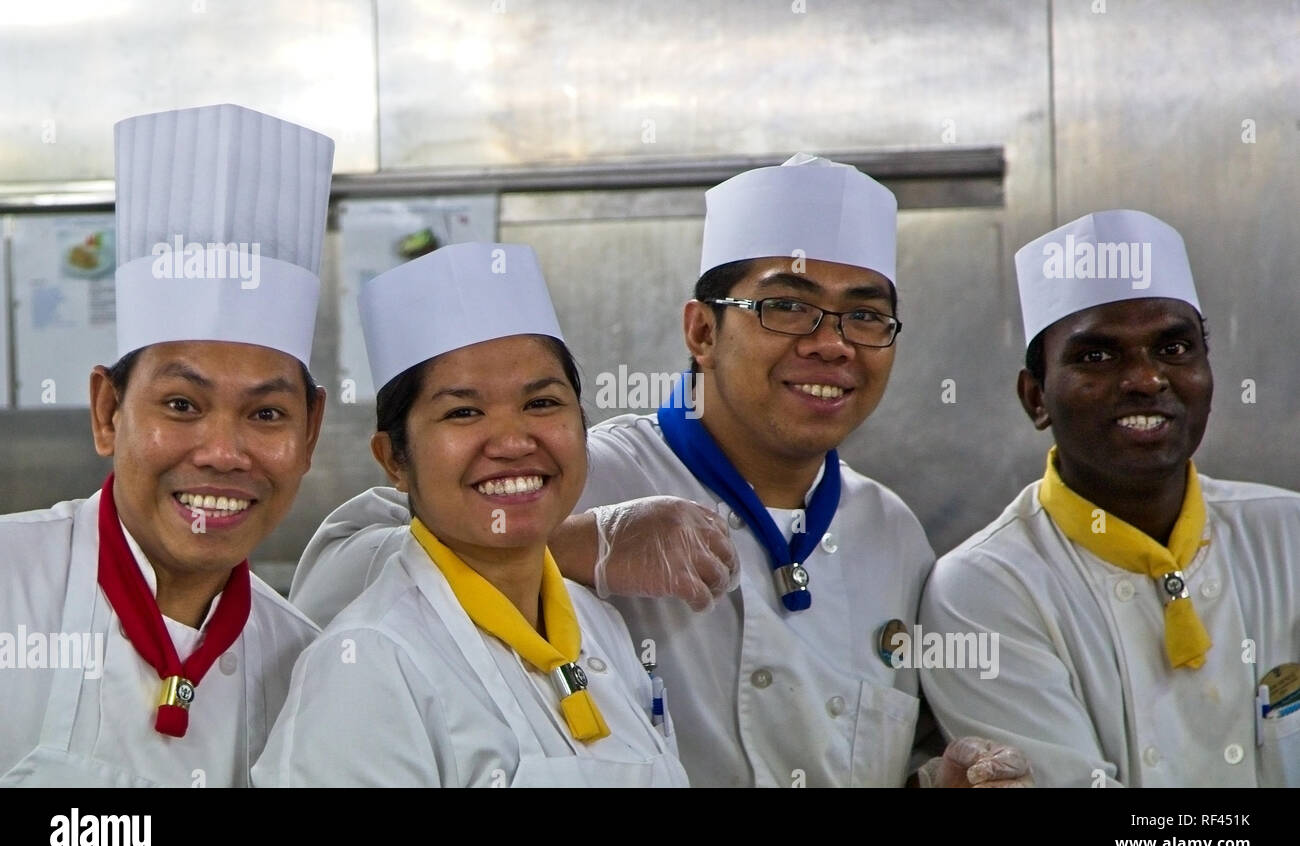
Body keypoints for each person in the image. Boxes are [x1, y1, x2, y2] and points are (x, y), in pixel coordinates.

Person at [288, 155, 1030, 788]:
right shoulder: (571, 475)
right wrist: (583, 544)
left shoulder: (889, 533)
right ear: (702, 331)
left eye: (863, 316)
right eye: (787, 307)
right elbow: (333, 596)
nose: (831, 345)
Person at [253, 243, 688, 787]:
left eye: (542, 403)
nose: (512, 441)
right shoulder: (369, 667)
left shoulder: (600, 625)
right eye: (464, 412)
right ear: (394, 460)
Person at [0, 104, 330, 787]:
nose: (222, 452)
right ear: (107, 411)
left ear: (310, 436)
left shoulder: (311, 669)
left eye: (266, 413)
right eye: (182, 405)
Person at [920, 209, 1300, 787]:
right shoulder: (982, 589)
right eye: (1097, 355)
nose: (1146, 379)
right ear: (1036, 398)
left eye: (1174, 348)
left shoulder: (1288, 534)